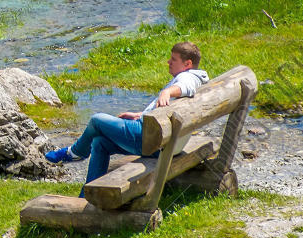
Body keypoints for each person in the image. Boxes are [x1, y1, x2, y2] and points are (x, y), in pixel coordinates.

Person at [44, 42, 209, 185]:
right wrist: (141, 114)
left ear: (187, 64)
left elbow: (185, 87)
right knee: (100, 142)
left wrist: (167, 92)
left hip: (150, 140)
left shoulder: (188, 78)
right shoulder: (193, 76)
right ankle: (89, 193)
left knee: (96, 120)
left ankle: (76, 152)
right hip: (163, 140)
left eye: (173, 59)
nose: (168, 62)